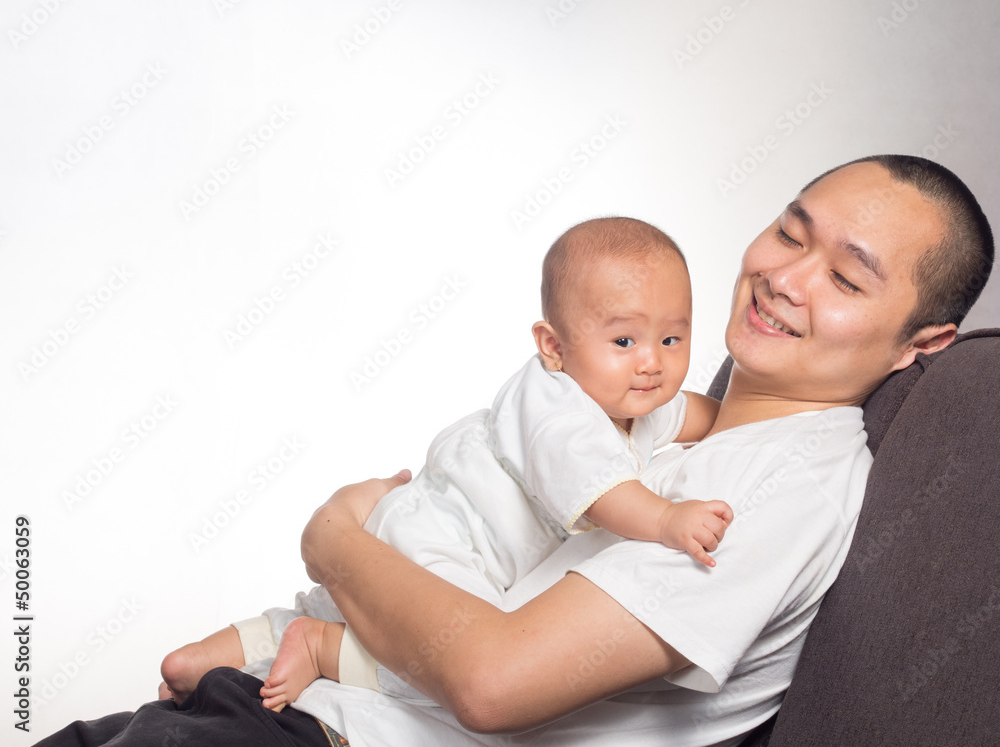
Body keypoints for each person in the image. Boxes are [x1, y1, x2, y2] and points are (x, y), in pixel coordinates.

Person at [34, 154, 994, 747]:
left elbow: (495, 684)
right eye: (790, 231)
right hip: (301, 706)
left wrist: (333, 540)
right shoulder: (666, 413)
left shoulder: (788, 489)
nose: (783, 277)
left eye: (844, 277)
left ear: (923, 342)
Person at [157, 217, 731, 711]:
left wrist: (749, 418)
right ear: (553, 347)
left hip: (408, 527)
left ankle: (196, 663)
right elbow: (605, 493)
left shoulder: (633, 399)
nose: (653, 363)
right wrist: (665, 521)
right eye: (625, 341)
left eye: (674, 339)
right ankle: (320, 649)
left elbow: (701, 416)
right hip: (447, 548)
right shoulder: (558, 408)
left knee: (334, 600)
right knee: (453, 665)